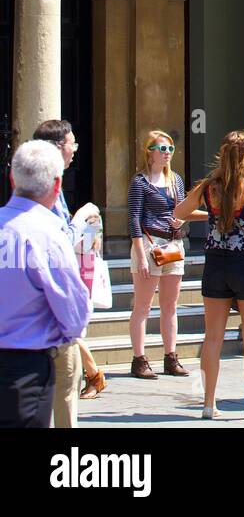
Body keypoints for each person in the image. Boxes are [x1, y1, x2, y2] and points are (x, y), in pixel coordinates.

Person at [172, 130, 244, 419]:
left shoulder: (208, 188)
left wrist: (213, 215)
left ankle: (208, 404)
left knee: (212, 337)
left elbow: (179, 211)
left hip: (216, 265)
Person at [0, 140, 90, 428]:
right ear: (57, 185)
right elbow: (75, 317)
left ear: (13, 179)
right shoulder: (48, 236)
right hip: (23, 370)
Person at [30, 119, 87, 428]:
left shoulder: (55, 188)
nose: (75, 151)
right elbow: (59, 239)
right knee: (65, 388)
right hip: (52, 312)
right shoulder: (45, 191)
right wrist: (82, 218)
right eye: (71, 144)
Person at [126, 130, 192, 380]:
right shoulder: (140, 182)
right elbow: (133, 218)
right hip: (148, 243)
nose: (166, 154)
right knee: (143, 305)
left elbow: (183, 208)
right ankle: (139, 359)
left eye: (170, 149)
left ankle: (171, 357)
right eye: (162, 149)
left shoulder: (175, 180)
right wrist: (140, 255)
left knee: (170, 304)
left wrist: (180, 221)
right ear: (149, 151)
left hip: (173, 245)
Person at [70, 203, 106, 400]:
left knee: (74, 334)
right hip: (75, 285)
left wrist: (73, 227)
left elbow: (84, 246)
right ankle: (91, 377)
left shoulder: (91, 223)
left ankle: (94, 376)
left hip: (81, 288)